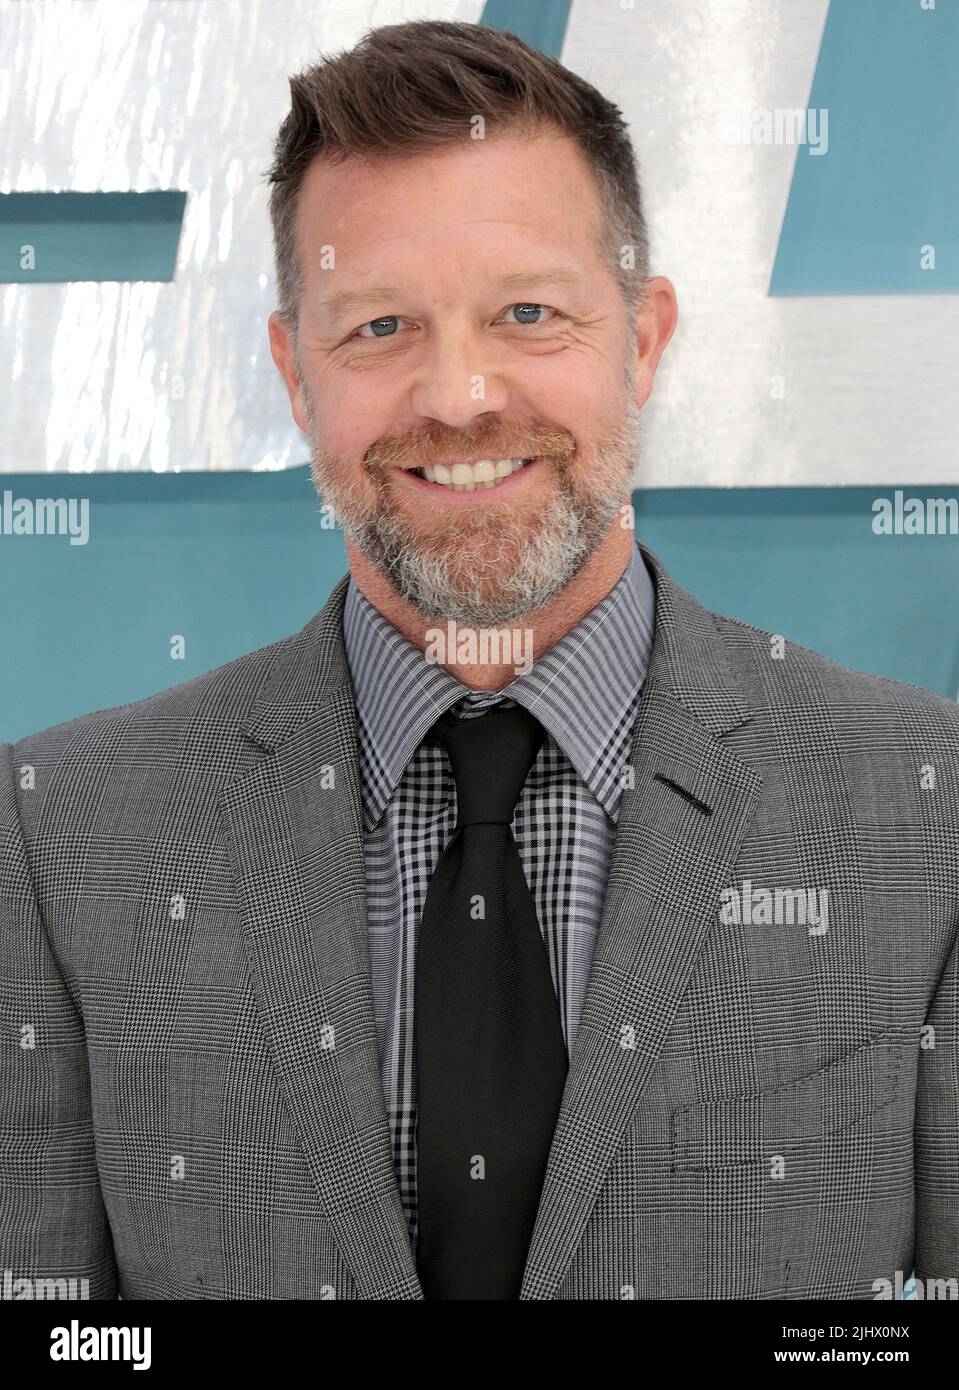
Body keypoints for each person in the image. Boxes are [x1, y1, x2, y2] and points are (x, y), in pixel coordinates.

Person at [1, 19, 956, 1302]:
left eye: (527, 311)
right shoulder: (64, 830)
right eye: (381, 325)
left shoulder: (922, 805)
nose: (456, 397)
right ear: (295, 374)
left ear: (644, 338)